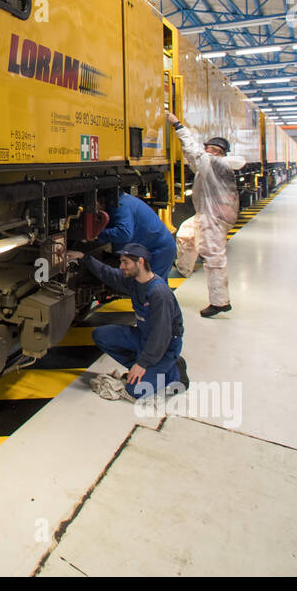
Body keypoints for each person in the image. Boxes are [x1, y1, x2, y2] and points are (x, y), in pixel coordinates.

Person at [70, 242, 187, 400]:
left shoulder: (159, 294)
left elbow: (161, 335)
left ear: (140, 262)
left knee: (136, 391)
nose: (122, 266)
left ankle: (175, 373)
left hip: (164, 346)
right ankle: (144, 369)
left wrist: (142, 364)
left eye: (126, 262)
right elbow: (107, 273)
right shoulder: (134, 281)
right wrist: (84, 258)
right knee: (101, 335)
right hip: (143, 336)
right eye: (121, 262)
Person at [168, 111, 246, 317]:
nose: (205, 150)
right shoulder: (212, 165)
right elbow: (195, 160)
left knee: (213, 256)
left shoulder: (215, 163)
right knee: (186, 233)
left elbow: (195, 153)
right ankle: (183, 269)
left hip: (214, 216)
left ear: (217, 151)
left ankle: (220, 302)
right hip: (209, 213)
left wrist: (178, 125)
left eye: (209, 148)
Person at [98, 190, 177, 278]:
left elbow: (124, 233)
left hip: (159, 251)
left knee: (151, 286)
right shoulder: (122, 201)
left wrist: (98, 234)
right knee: (147, 286)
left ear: (102, 200)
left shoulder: (121, 205)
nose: (98, 209)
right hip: (153, 248)